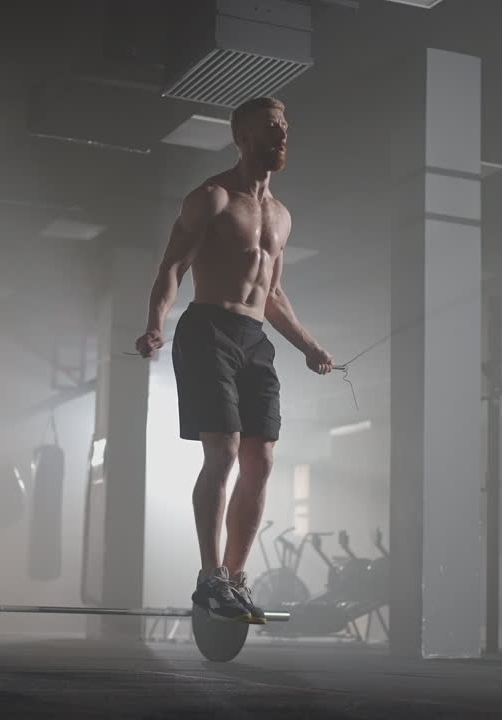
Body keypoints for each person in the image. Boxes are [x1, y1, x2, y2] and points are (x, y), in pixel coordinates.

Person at [134, 97, 334, 624]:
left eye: (286, 126)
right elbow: (173, 265)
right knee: (221, 455)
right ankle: (210, 579)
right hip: (208, 330)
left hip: (254, 339)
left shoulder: (283, 215)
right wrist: (157, 323)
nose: (283, 135)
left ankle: (236, 578)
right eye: (272, 127)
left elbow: (273, 293)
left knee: (261, 461)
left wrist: (308, 344)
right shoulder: (212, 198)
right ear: (243, 136)